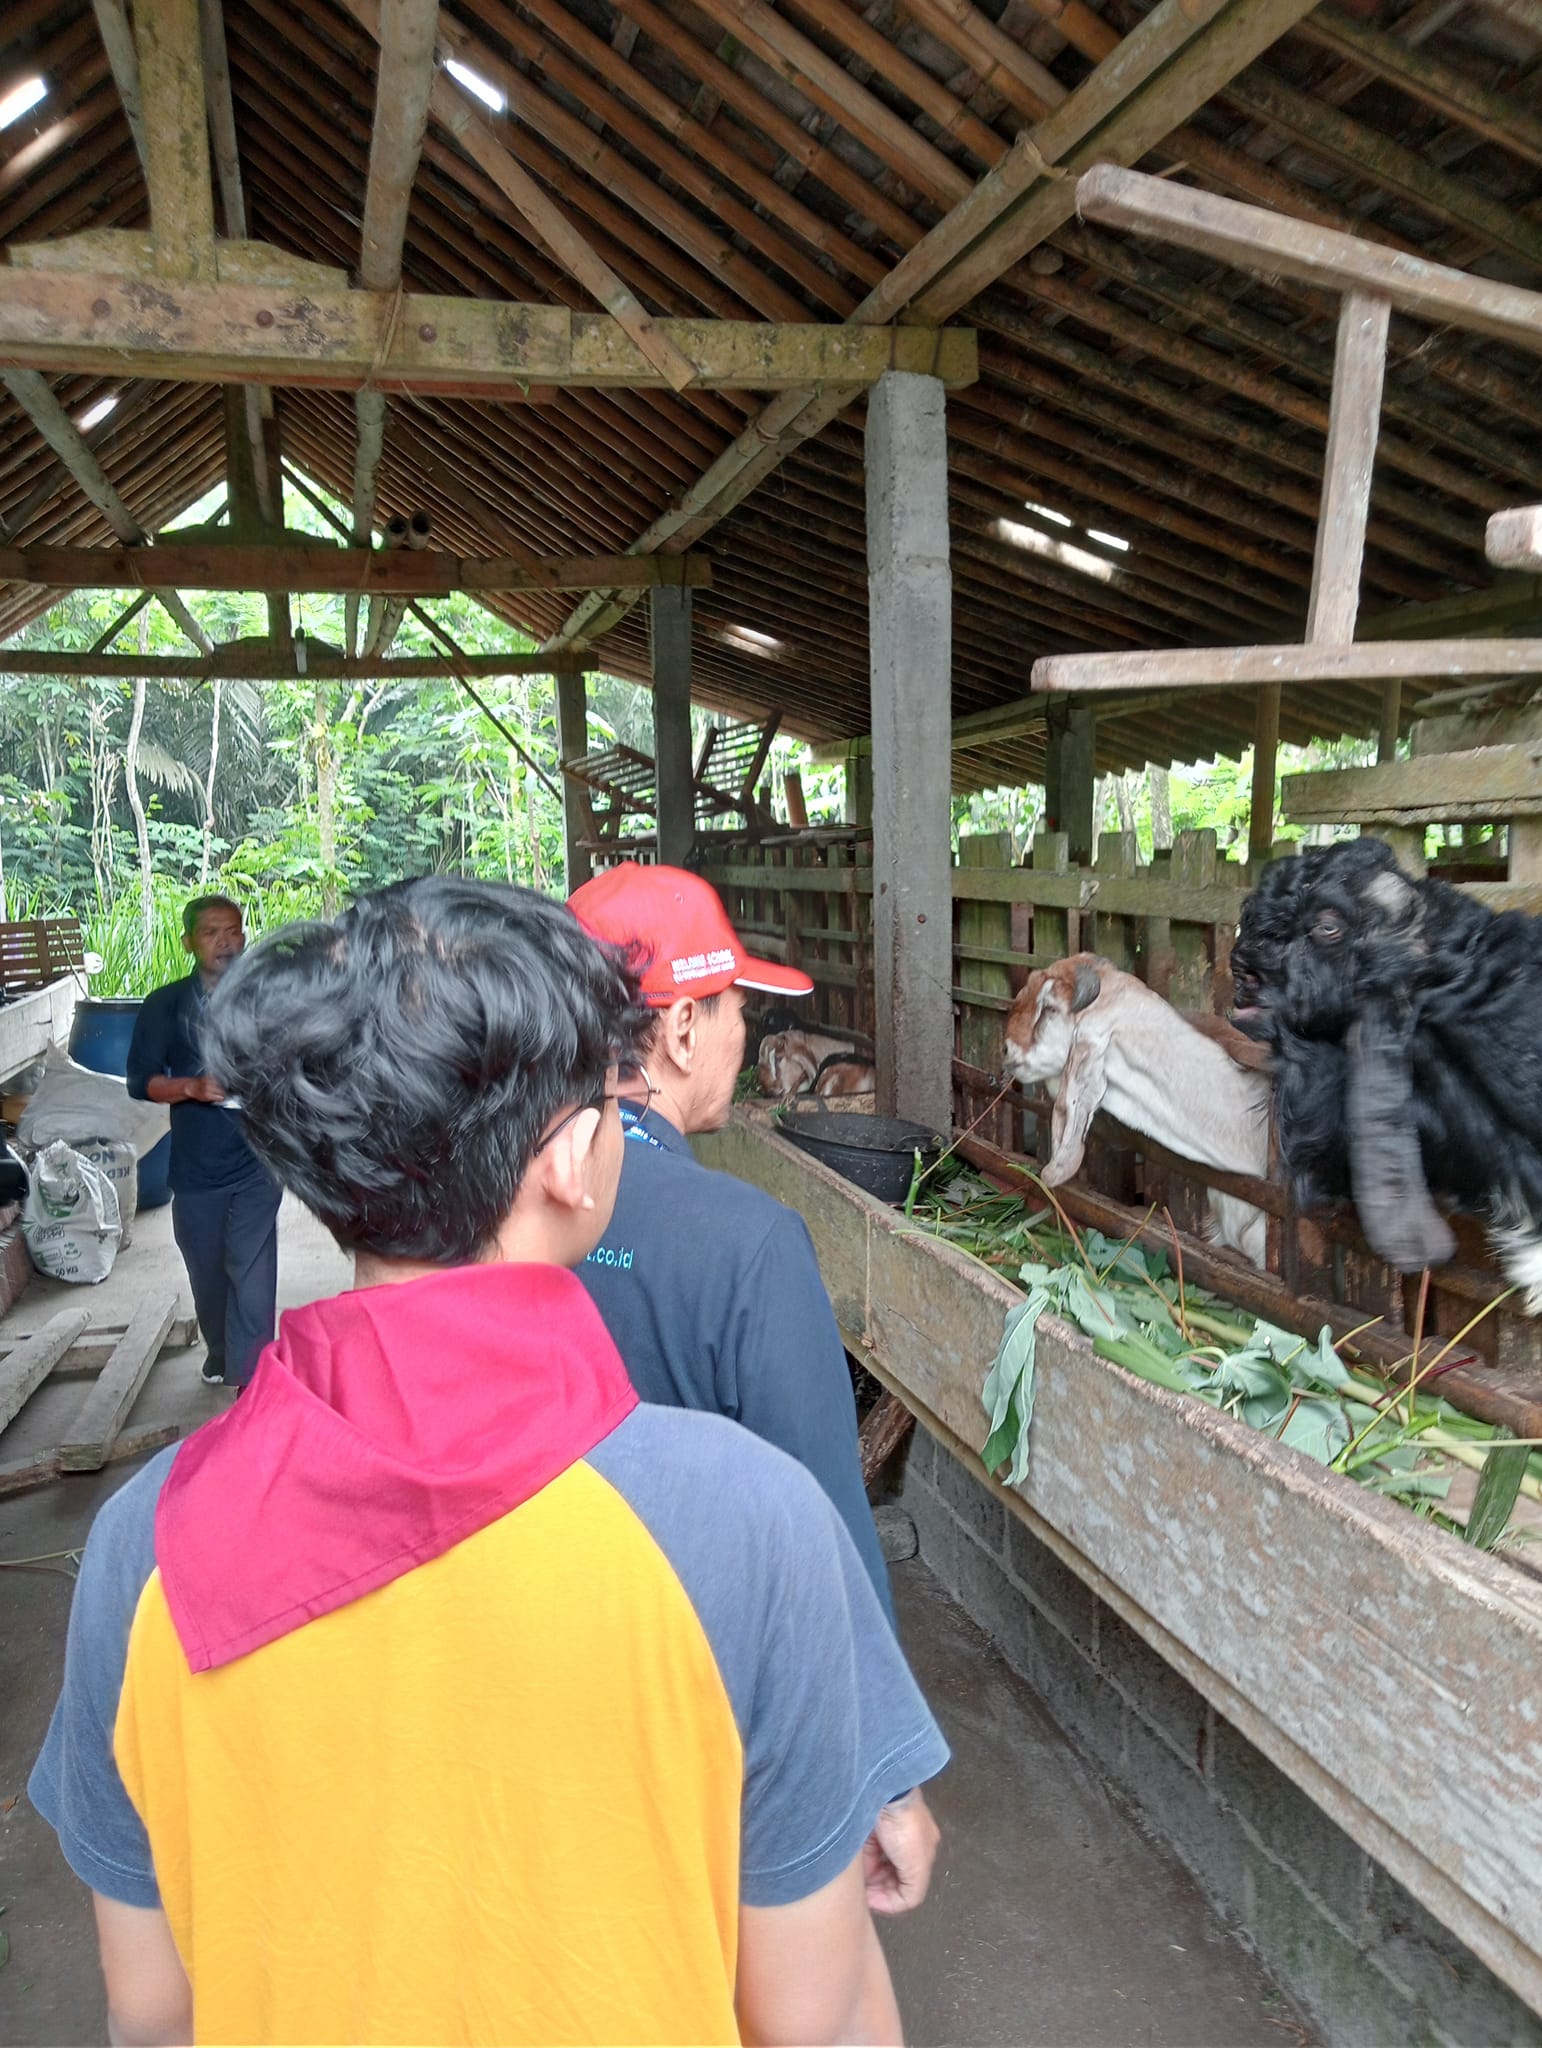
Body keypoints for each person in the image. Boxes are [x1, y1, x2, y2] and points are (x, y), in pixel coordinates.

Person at [30, 878, 948, 2047]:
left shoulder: (145, 1544)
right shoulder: (746, 1523)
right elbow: (813, 2022)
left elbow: (152, 2012)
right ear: (571, 1157)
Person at [569, 863, 941, 1908]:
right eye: (736, 1007)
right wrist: (886, 1771)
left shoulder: (503, 1208)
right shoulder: (749, 1244)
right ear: (682, 1029)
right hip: (707, 1707)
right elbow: (826, 1514)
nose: (742, 1035)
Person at [125, 895, 280, 1388]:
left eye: (234, 931)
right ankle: (222, 1349)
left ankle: (252, 1386)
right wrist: (191, 1087)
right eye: (212, 933)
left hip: (259, 1162)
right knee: (209, 1276)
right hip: (195, 1170)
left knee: (252, 1273)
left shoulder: (265, 999)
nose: (226, 943)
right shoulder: (165, 1006)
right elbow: (140, 1082)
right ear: (188, 941)